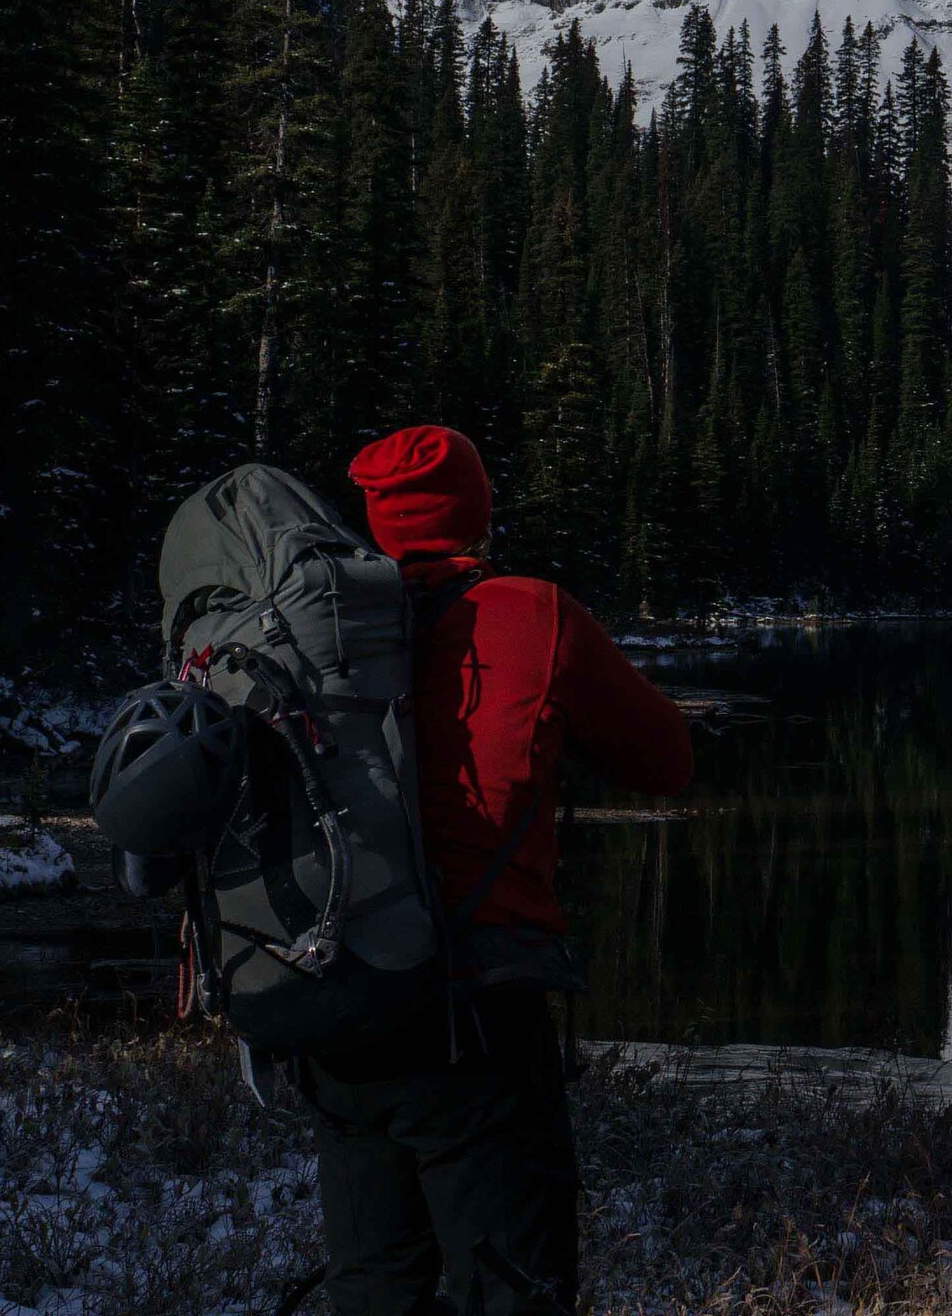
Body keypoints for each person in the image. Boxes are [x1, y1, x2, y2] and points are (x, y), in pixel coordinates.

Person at [302, 424, 695, 1316]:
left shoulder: (321, 633)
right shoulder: (531, 612)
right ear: (477, 512)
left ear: (379, 521)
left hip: (340, 1001)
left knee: (373, 1289)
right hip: (476, 1011)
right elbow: (667, 758)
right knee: (516, 1288)